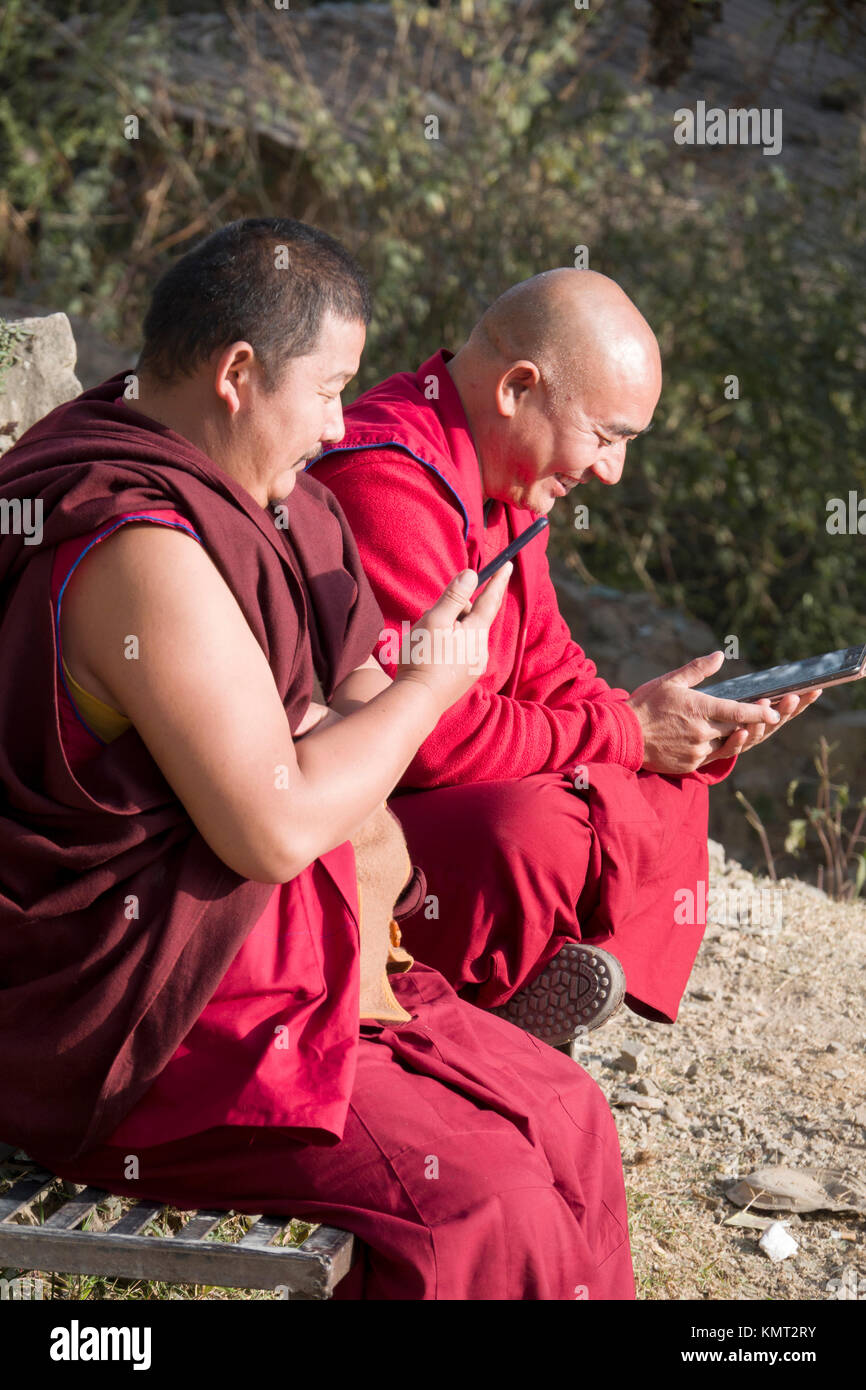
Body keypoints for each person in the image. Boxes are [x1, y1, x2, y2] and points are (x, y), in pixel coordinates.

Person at [0, 223, 633, 1300]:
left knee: (570, 1116)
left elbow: (355, 702)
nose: (344, 423)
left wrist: (363, 716)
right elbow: (278, 825)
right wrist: (430, 688)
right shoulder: (139, 546)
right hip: (154, 1019)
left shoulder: (262, 497)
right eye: (331, 388)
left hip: (289, 959)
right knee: (487, 1205)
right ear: (237, 375)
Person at [311, 269, 821, 1045]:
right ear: (517, 387)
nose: (612, 471)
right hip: (361, 818)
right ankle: (483, 992)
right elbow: (425, 736)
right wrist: (628, 731)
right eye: (606, 437)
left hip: (444, 784)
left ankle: (544, 970)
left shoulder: (506, 481)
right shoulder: (387, 479)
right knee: (535, 827)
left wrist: (690, 728)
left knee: (668, 784)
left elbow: (548, 666)